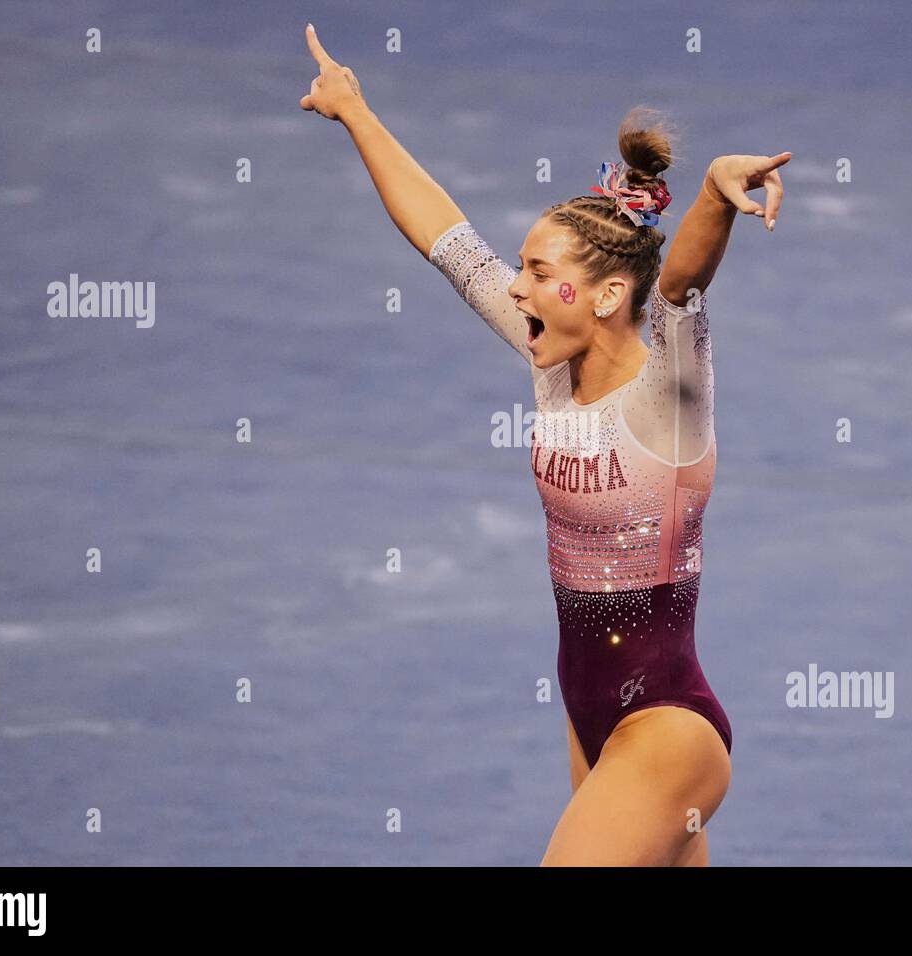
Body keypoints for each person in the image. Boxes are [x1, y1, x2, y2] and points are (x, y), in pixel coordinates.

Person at [299, 23, 789, 866]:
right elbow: (447, 243)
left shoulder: (667, 392)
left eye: (534, 270)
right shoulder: (550, 358)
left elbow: (679, 285)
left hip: (666, 731)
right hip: (593, 715)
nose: (516, 285)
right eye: (521, 270)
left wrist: (712, 191)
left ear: (603, 296)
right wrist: (357, 113)